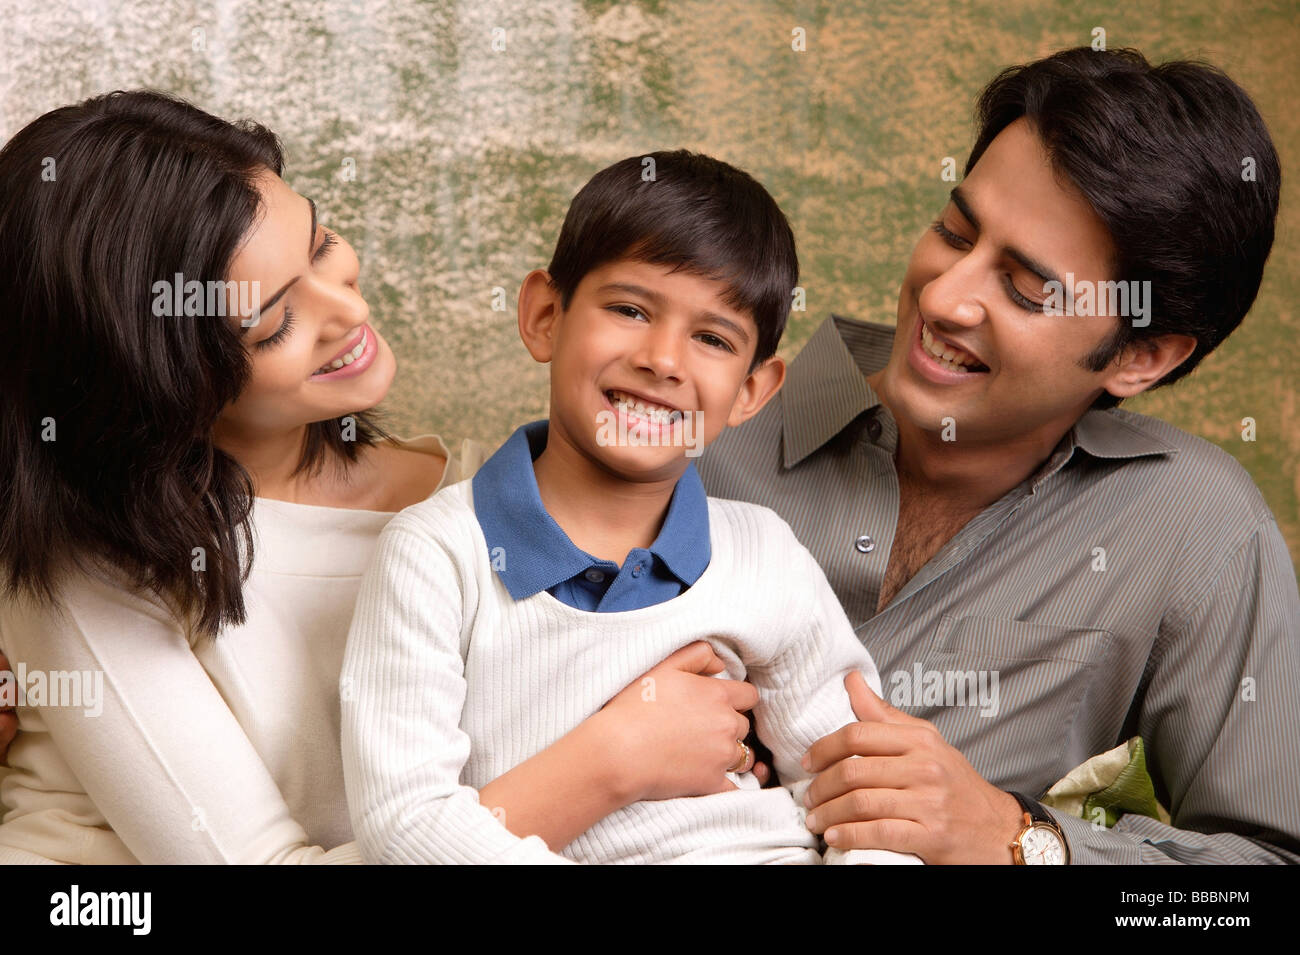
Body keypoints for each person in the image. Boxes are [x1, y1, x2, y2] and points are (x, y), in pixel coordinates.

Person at [0, 92, 766, 864]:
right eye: (274, 323)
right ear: (157, 382)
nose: (346, 308)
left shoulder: (486, 501)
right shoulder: (87, 567)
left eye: (320, 242)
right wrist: (617, 760)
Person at [697, 47, 1300, 864]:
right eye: (954, 231)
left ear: (1141, 356)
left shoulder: (1193, 525)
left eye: (1028, 289)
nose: (943, 297)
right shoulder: (696, 420)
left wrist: (1016, 840)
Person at [341, 150, 918, 864]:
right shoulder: (435, 554)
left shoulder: (765, 553)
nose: (663, 359)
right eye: (630, 309)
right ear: (545, 316)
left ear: (752, 391)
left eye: (711, 338)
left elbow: (858, 790)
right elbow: (405, 825)